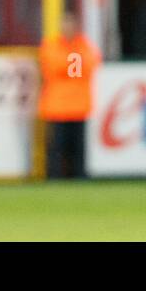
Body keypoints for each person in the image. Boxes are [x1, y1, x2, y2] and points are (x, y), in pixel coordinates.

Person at [38, 12, 100, 179]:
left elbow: (90, 64)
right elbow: (53, 66)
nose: (67, 28)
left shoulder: (84, 45)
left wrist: (68, 64)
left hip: (79, 107)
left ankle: (79, 180)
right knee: (56, 149)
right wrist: (73, 64)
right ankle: (54, 180)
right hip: (57, 107)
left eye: (70, 24)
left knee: (78, 150)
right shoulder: (51, 45)